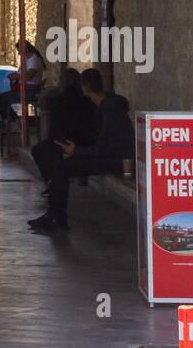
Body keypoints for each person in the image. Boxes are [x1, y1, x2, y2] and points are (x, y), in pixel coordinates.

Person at [28, 68, 133, 233]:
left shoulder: (109, 111)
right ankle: (55, 214)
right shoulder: (106, 105)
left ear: (85, 88)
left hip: (111, 159)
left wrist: (77, 151)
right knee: (60, 166)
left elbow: (105, 146)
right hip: (106, 155)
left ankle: (57, 216)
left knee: (62, 168)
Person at [30, 67, 98, 184]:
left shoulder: (58, 100)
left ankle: (52, 181)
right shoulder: (88, 100)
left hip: (65, 141)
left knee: (39, 150)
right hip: (87, 140)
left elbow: (54, 129)